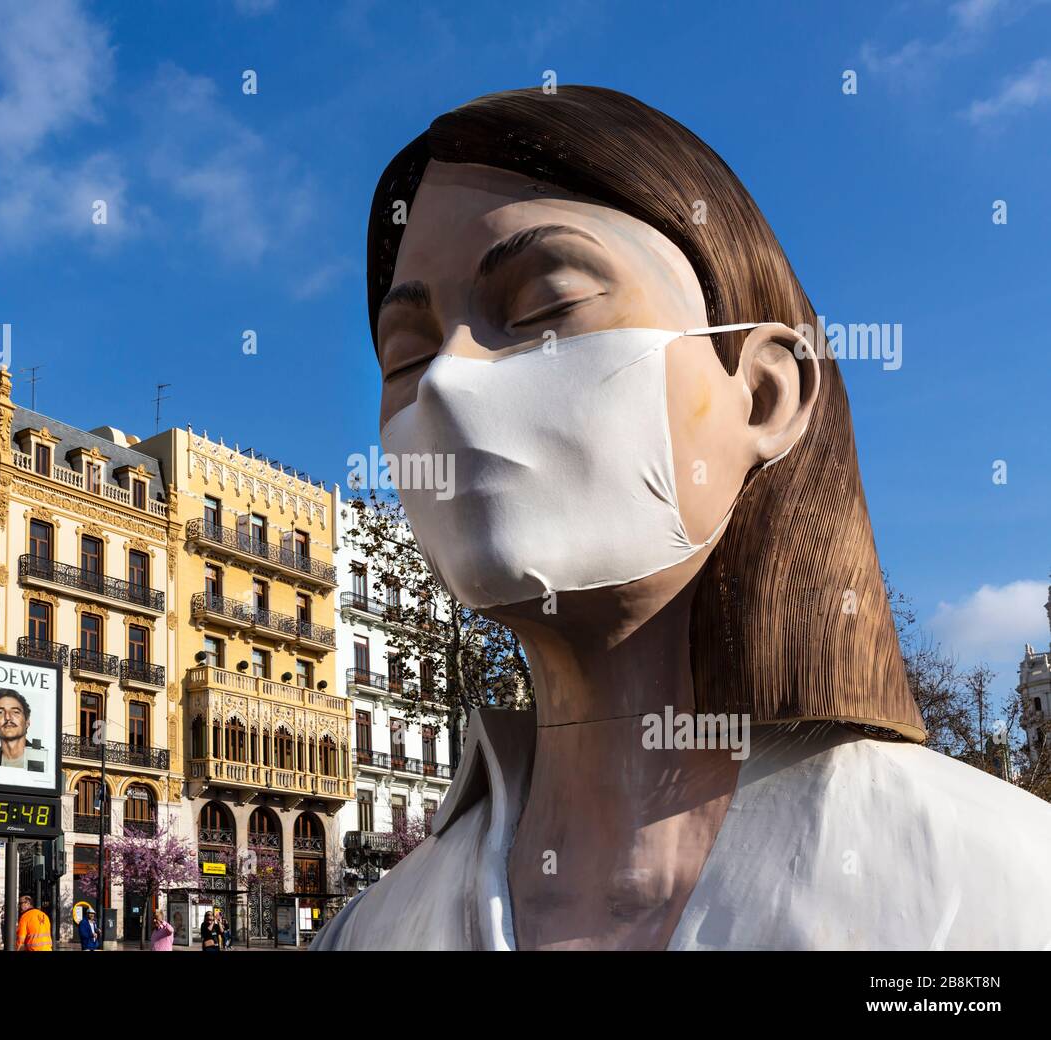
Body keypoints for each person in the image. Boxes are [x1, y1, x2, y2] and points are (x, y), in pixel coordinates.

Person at [312, 85, 1051, 951]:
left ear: (767, 394)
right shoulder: (369, 932)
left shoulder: (1003, 890)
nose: (444, 382)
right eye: (408, 354)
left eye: (545, 307)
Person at [0, 688, 49, 772]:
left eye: (15, 712)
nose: (7, 717)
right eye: (0, 712)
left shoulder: (45, 759)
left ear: (27, 721)